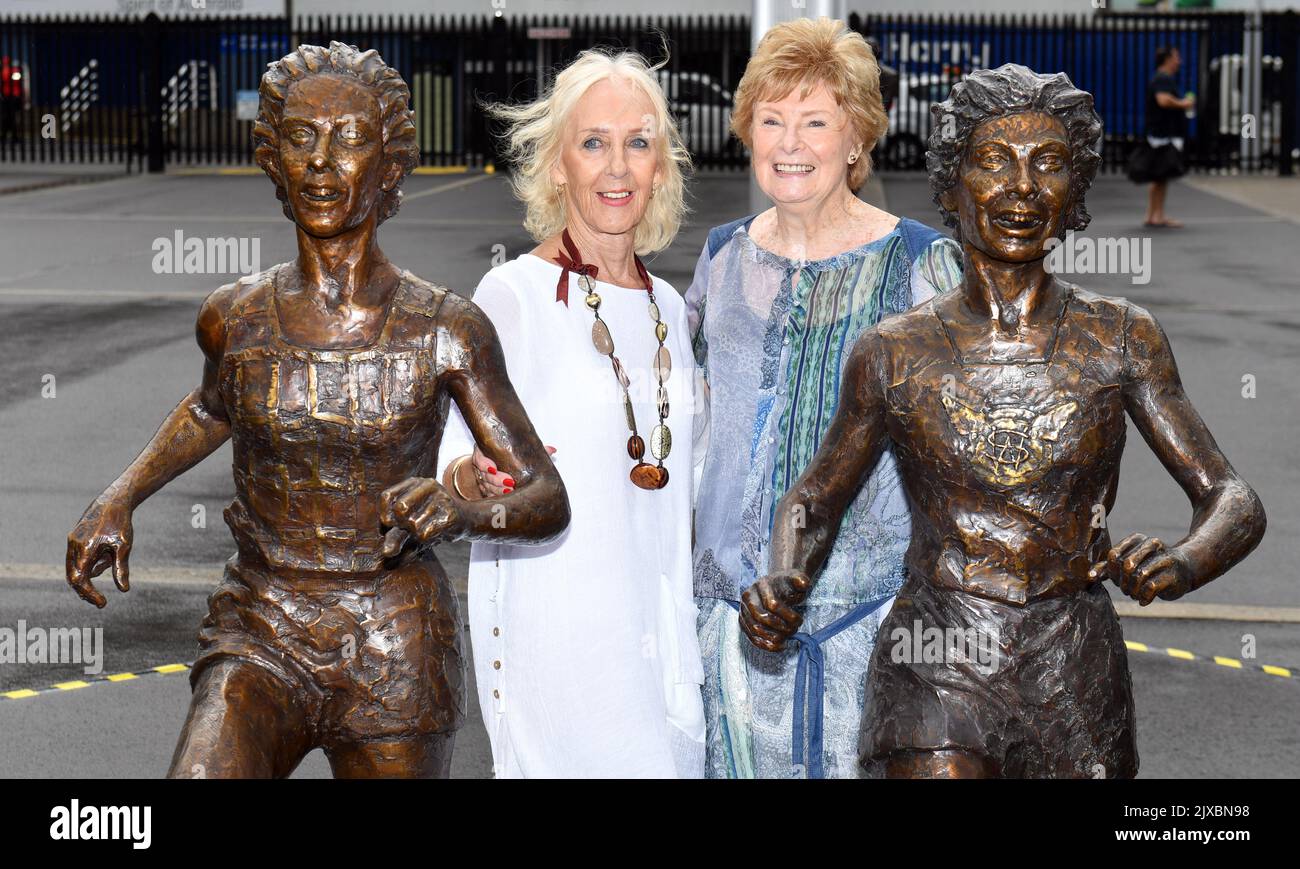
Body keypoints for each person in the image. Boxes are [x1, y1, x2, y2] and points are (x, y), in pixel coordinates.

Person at [741, 64, 1267, 779]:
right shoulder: (893, 351)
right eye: (994, 160)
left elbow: (1232, 498)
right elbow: (815, 497)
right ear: (953, 183)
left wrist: (1185, 561)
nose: (1023, 187)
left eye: (1048, 164)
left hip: (1072, 657)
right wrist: (784, 576)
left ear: (1075, 190)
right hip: (939, 654)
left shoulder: (1120, 336)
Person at [65, 42, 569, 779]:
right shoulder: (234, 316)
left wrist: (462, 513)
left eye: (351, 139)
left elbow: (546, 497)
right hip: (262, 619)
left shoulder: (446, 329)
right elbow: (212, 408)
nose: (322, 164)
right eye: (301, 138)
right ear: (273, 159)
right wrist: (119, 495)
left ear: (390, 165)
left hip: (394, 640)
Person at [687, 16, 963, 779]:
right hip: (727, 625)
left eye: (814, 121)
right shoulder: (720, 255)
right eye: (771, 120)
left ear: (857, 138)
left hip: (867, 627)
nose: (790, 143)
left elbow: (962, 452)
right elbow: (691, 423)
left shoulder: (922, 265)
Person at [435, 45, 707, 778]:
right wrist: (474, 478)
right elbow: (454, 460)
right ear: (558, 165)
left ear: (660, 166)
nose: (617, 167)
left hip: (663, 644)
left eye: (638, 143)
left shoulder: (670, 309)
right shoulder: (513, 296)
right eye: (593, 143)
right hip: (560, 648)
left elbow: (691, 480)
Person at [1140, 46, 1194, 228]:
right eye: (1177, 57)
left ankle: (1153, 214)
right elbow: (1163, 100)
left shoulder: (1161, 78)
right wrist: (1184, 103)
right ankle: (1157, 216)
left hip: (1159, 133)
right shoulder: (1163, 79)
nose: (1179, 61)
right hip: (1162, 135)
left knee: (1159, 176)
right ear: (1168, 59)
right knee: (1160, 174)